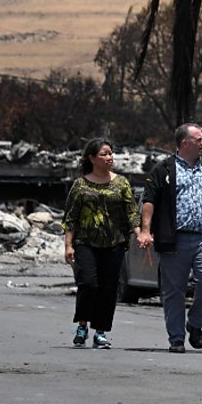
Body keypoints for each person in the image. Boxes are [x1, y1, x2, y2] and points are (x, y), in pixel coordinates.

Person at [136, 123, 202, 353]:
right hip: (174, 238)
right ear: (185, 143)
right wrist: (146, 230)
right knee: (174, 290)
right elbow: (149, 201)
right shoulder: (164, 169)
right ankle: (176, 338)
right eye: (199, 139)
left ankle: (195, 324)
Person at [63, 137, 138, 349]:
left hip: (114, 243)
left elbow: (131, 212)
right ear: (92, 158)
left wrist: (140, 233)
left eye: (110, 153)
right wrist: (68, 245)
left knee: (108, 288)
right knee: (88, 283)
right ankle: (82, 325)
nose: (109, 157)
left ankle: (101, 332)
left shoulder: (121, 183)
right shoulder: (80, 185)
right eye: (104, 154)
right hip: (85, 242)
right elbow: (70, 217)